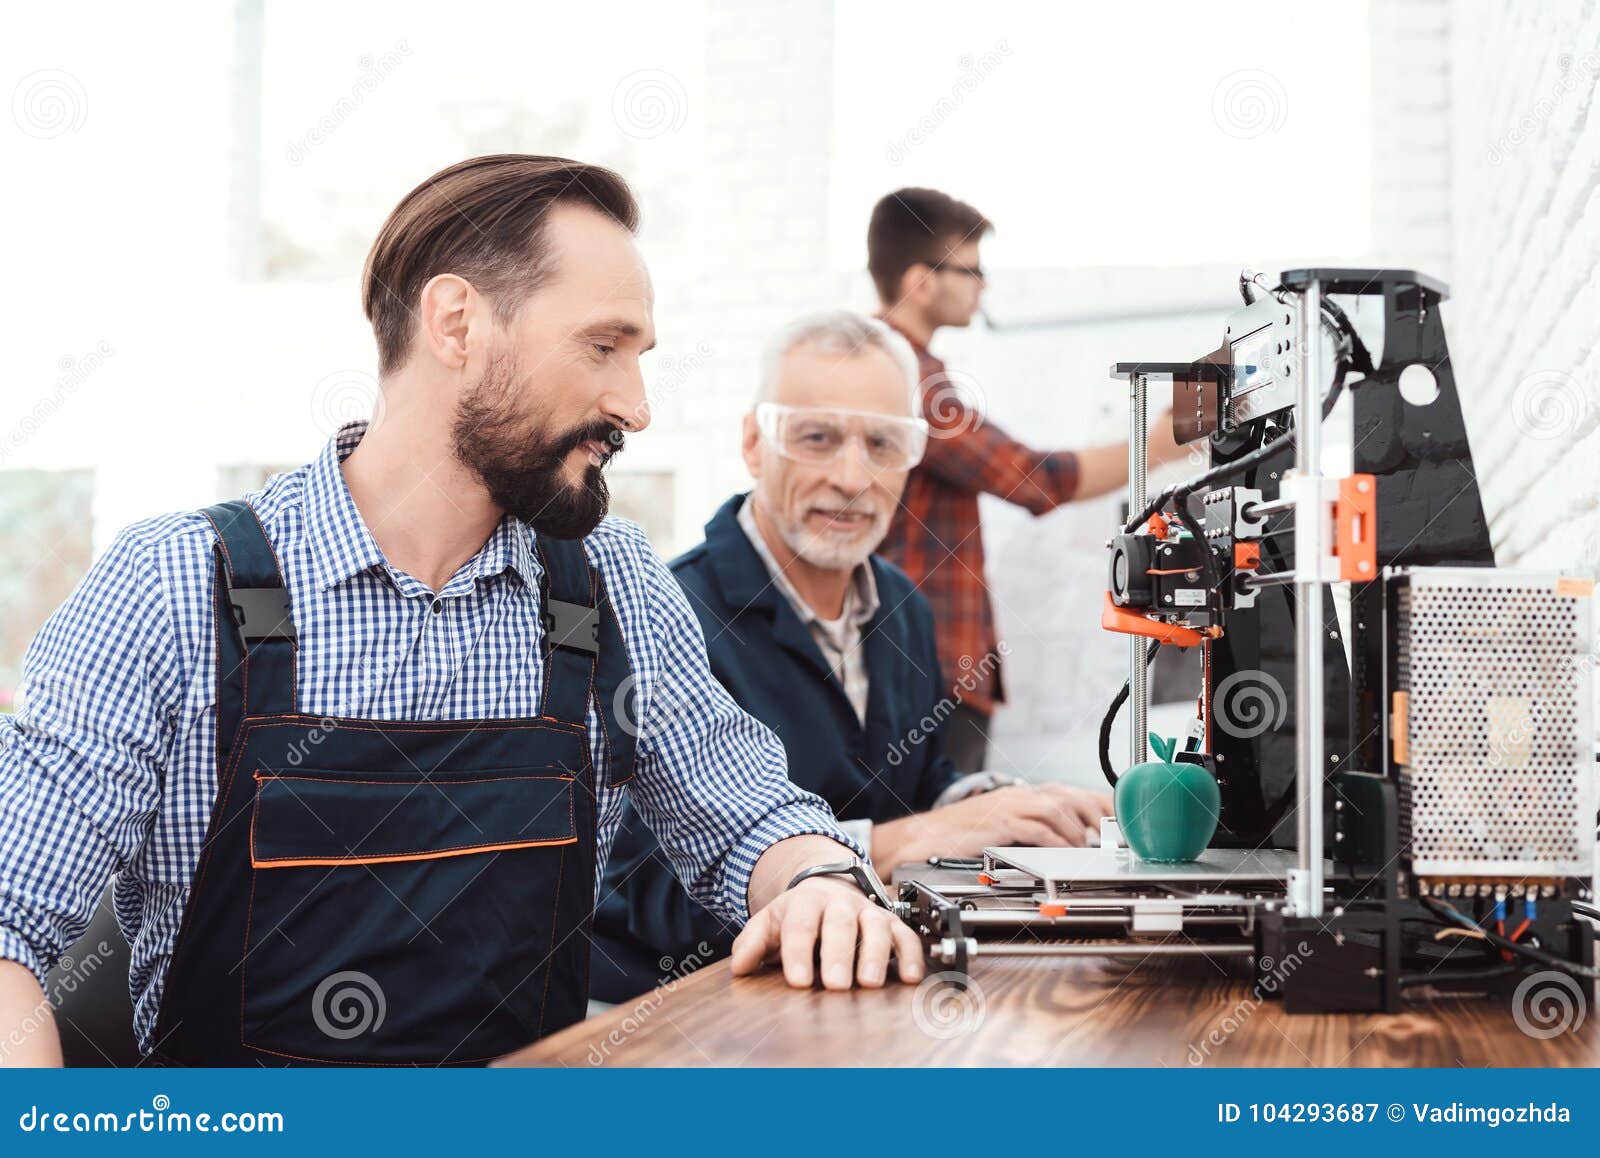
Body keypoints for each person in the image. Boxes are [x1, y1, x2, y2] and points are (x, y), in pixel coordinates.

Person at [0, 156, 924, 1068]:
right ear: (456, 323)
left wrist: (820, 880)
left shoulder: (608, 584)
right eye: (603, 347)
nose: (634, 407)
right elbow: (8, 929)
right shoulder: (174, 584)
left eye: (641, 359)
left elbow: (746, 815)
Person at [590, 311, 1110, 1002]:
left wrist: (1003, 806)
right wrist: (911, 840)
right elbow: (648, 895)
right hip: (680, 1012)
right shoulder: (668, 613)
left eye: (884, 443)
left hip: (852, 990)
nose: (853, 477)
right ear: (754, 443)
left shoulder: (901, 604)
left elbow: (922, 784)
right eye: (817, 438)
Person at [868, 188, 1188, 772]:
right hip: (927, 671)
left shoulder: (896, 368)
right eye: (972, 270)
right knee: (932, 845)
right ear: (920, 281)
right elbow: (1034, 480)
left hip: (922, 667)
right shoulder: (902, 374)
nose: (982, 286)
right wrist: (1157, 447)